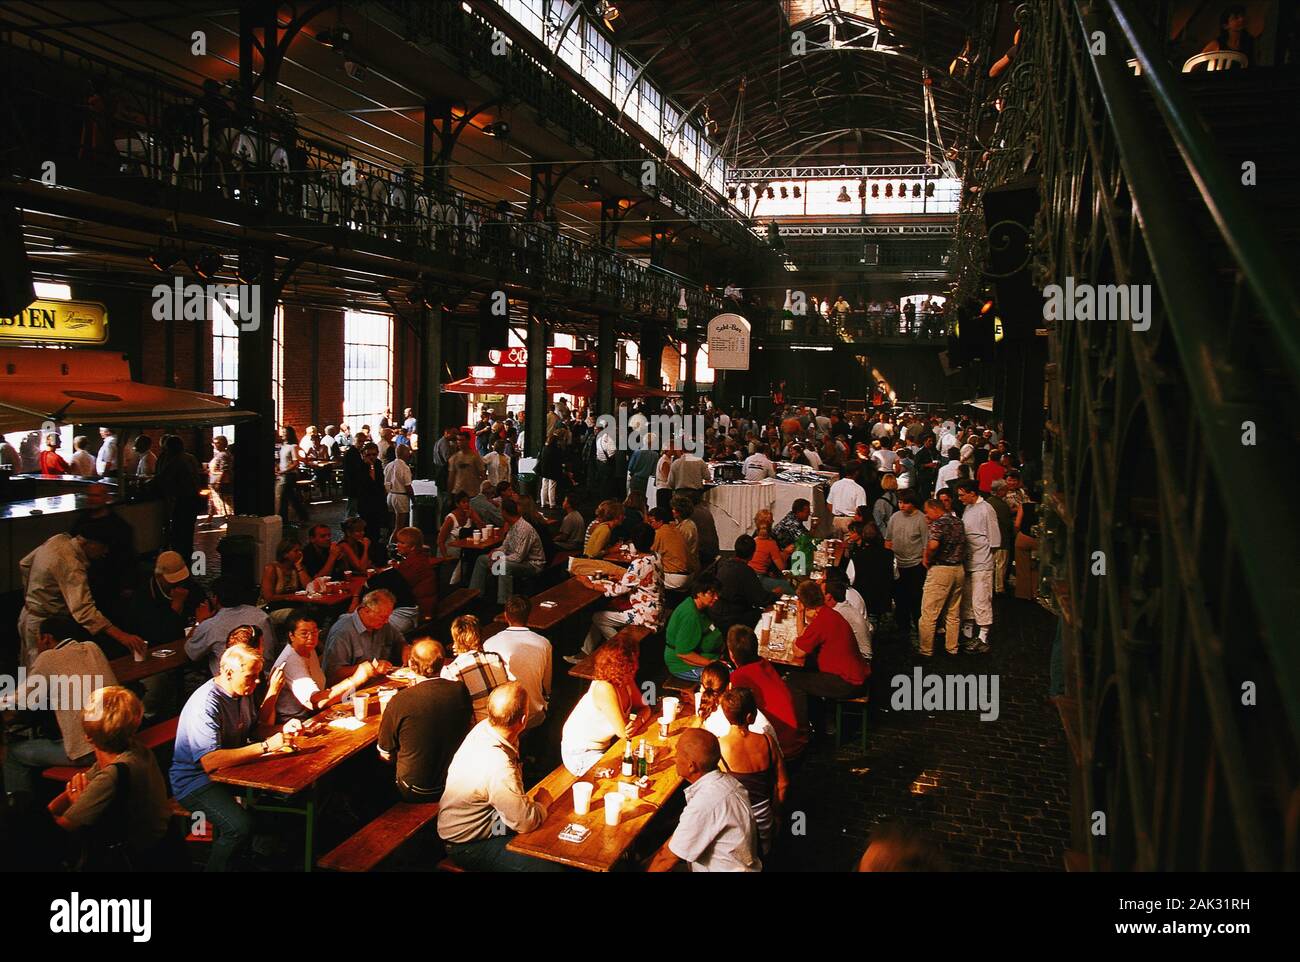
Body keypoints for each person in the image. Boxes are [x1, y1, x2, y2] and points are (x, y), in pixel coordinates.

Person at [170, 644, 297, 871]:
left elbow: (254, 730)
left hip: (232, 773)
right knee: (238, 826)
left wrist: (285, 730)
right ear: (228, 673)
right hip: (195, 781)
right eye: (251, 676)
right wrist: (266, 746)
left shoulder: (241, 692)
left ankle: (254, 859)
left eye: (258, 676)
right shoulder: (206, 703)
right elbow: (211, 761)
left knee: (284, 799)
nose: (256, 682)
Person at [436, 683, 563, 872]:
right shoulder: (498, 765)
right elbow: (525, 822)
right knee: (551, 868)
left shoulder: (485, 728)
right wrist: (543, 804)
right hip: (469, 844)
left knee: (553, 834)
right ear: (523, 719)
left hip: (487, 822)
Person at [46, 685, 174, 871]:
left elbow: (65, 827)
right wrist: (53, 808)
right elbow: (85, 780)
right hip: (164, 846)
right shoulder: (136, 750)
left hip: (133, 860)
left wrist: (76, 804)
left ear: (88, 737)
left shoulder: (111, 776)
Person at [2, 616, 117, 801]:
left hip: (89, 751)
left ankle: (20, 809)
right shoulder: (93, 648)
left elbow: (22, 698)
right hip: (118, 738)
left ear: (46, 638)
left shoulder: (49, 657)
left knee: (11, 754)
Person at [17, 522, 147, 668]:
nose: (105, 552)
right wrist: (122, 636)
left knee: (30, 670)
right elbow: (84, 611)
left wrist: (32, 596)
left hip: (27, 615)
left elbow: (25, 564)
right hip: (43, 625)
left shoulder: (58, 539)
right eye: (103, 546)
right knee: (42, 674)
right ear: (89, 544)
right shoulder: (72, 565)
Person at [647, 728, 760, 872]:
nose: (674, 758)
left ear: (691, 766)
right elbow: (677, 843)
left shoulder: (704, 803)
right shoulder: (730, 783)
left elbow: (666, 860)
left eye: (678, 753)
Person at [378, 639, 472, 802]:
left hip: (416, 788)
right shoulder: (459, 690)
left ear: (411, 664)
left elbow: (386, 753)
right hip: (456, 780)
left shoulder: (400, 701)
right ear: (442, 663)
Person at [268, 607, 378, 722]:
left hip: (314, 714)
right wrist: (355, 679)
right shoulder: (291, 661)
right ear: (291, 636)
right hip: (297, 722)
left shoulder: (309, 649)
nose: (311, 638)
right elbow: (317, 701)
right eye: (304, 634)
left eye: (315, 632)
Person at [571, 524, 663, 659]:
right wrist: (624, 577)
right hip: (657, 608)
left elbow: (617, 590)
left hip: (646, 615)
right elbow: (641, 579)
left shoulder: (639, 564)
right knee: (601, 615)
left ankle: (624, 652)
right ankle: (585, 652)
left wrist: (589, 584)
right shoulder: (656, 556)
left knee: (598, 617)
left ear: (633, 544)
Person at [561, 639, 650, 775]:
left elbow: (645, 708)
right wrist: (639, 720)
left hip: (602, 748)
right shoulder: (604, 688)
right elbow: (624, 733)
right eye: (634, 659)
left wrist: (639, 721)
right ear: (623, 664)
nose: (637, 664)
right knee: (627, 777)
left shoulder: (625, 679)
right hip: (581, 754)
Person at [716, 687, 788, 857]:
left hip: (736, 821)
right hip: (764, 818)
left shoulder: (720, 747)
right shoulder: (767, 741)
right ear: (749, 717)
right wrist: (777, 815)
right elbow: (783, 783)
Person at [786, 580, 870, 709]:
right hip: (856, 674)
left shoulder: (822, 621)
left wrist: (794, 641)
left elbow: (799, 651)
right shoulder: (828, 613)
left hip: (848, 682)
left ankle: (802, 726)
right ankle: (815, 715)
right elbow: (803, 636)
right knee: (805, 669)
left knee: (793, 681)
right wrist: (800, 613)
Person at [727, 625, 807, 758]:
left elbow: (735, 711)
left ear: (731, 654)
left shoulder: (739, 676)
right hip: (796, 737)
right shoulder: (764, 663)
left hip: (780, 748)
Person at [484, 596, 552, 732]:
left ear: (505, 616)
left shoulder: (489, 644)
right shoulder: (544, 643)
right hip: (534, 716)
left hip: (501, 718)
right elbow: (547, 686)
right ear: (529, 615)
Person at [184, 577, 271, 676]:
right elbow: (271, 651)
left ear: (215, 598)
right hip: (265, 676)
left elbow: (191, 653)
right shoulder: (261, 615)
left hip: (231, 683)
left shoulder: (210, 625)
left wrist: (199, 622)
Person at [469, 497, 545, 604]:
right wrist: (496, 552)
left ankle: (504, 602)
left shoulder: (524, 528)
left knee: (504, 566)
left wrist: (499, 559)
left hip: (532, 564)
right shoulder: (512, 526)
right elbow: (505, 546)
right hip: (516, 560)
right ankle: (475, 595)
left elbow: (519, 557)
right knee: (482, 559)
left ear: (504, 512)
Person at [321, 588, 402, 684]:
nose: (386, 621)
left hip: (377, 683)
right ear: (366, 610)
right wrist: (369, 667)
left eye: (388, 616)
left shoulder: (382, 624)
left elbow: (399, 640)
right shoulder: (342, 632)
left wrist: (406, 650)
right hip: (349, 690)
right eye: (383, 617)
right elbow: (333, 674)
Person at [440, 614, 511, 723]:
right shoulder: (495, 657)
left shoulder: (450, 671)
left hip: (478, 727)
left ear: (455, 639)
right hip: (505, 721)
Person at [919, 498, 966, 657]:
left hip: (941, 571)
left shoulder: (938, 524)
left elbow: (933, 545)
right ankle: (952, 647)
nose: (926, 515)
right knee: (953, 613)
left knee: (929, 613)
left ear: (934, 509)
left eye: (927, 512)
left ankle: (926, 650)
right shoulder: (958, 522)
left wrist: (927, 558)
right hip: (959, 569)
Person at [956, 480, 999, 652]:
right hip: (968, 562)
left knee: (981, 600)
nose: (959, 499)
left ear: (972, 493)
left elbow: (994, 539)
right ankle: (968, 634)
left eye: (961, 495)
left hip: (982, 563)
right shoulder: (968, 509)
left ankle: (983, 637)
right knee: (967, 601)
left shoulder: (987, 509)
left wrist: (986, 558)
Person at [708, 534, 777, 637]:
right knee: (764, 613)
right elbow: (760, 599)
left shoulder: (724, 564)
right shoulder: (746, 572)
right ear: (752, 554)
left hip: (715, 611)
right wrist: (775, 594)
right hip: (731, 616)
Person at [885, 490, 928, 644]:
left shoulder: (922, 519)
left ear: (913, 503)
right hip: (898, 564)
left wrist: (924, 563)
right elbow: (888, 540)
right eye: (900, 502)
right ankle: (902, 627)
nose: (901, 505)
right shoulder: (895, 517)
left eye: (905, 502)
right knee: (900, 597)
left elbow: (925, 544)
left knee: (916, 598)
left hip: (915, 565)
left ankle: (919, 628)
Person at [155, 435, 205, 560]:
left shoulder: (176, 460)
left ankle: (180, 557)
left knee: (179, 530)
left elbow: (163, 478)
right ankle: (187, 554)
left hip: (183, 499)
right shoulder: (190, 457)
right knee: (188, 529)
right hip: (194, 498)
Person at [663, 578, 722, 682]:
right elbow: (683, 653)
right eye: (712, 594)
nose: (716, 597)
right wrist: (712, 664)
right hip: (682, 665)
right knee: (721, 678)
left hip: (708, 655)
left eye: (717, 593)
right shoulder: (690, 616)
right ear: (699, 594)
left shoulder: (698, 606)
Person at [825, 572, 872, 660]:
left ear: (828, 596)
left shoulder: (838, 613)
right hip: (857, 650)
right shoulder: (842, 604)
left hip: (859, 658)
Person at [648, 506, 690, 589]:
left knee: (643, 578)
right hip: (688, 574)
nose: (649, 525)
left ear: (660, 521)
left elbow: (649, 553)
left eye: (651, 522)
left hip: (675, 577)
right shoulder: (674, 528)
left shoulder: (659, 532)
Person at [276, 426, 310, 523]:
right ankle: (303, 515)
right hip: (283, 474)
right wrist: (279, 468)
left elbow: (296, 463)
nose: (282, 434)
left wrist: (284, 471)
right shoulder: (283, 446)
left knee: (282, 498)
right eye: (282, 432)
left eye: (284, 432)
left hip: (289, 475)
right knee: (292, 497)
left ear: (289, 434)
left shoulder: (293, 447)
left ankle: (283, 519)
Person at [384, 441, 414, 534]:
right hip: (401, 497)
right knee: (399, 527)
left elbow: (385, 482)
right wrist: (413, 499)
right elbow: (408, 486)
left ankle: (392, 542)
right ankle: (393, 545)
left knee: (393, 525)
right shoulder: (404, 467)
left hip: (390, 496)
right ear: (405, 454)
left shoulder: (389, 465)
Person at [828, 466, 867, 535]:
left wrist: (837, 514)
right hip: (850, 521)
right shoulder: (859, 489)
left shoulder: (835, 484)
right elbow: (861, 510)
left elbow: (829, 504)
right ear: (856, 473)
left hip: (836, 520)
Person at [208, 435, 234, 516]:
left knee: (225, 503)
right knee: (215, 502)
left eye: (218, 443)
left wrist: (219, 482)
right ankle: (209, 519)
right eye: (214, 443)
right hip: (215, 482)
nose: (215, 445)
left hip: (220, 483)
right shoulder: (221, 454)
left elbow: (224, 470)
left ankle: (229, 520)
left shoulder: (223, 455)